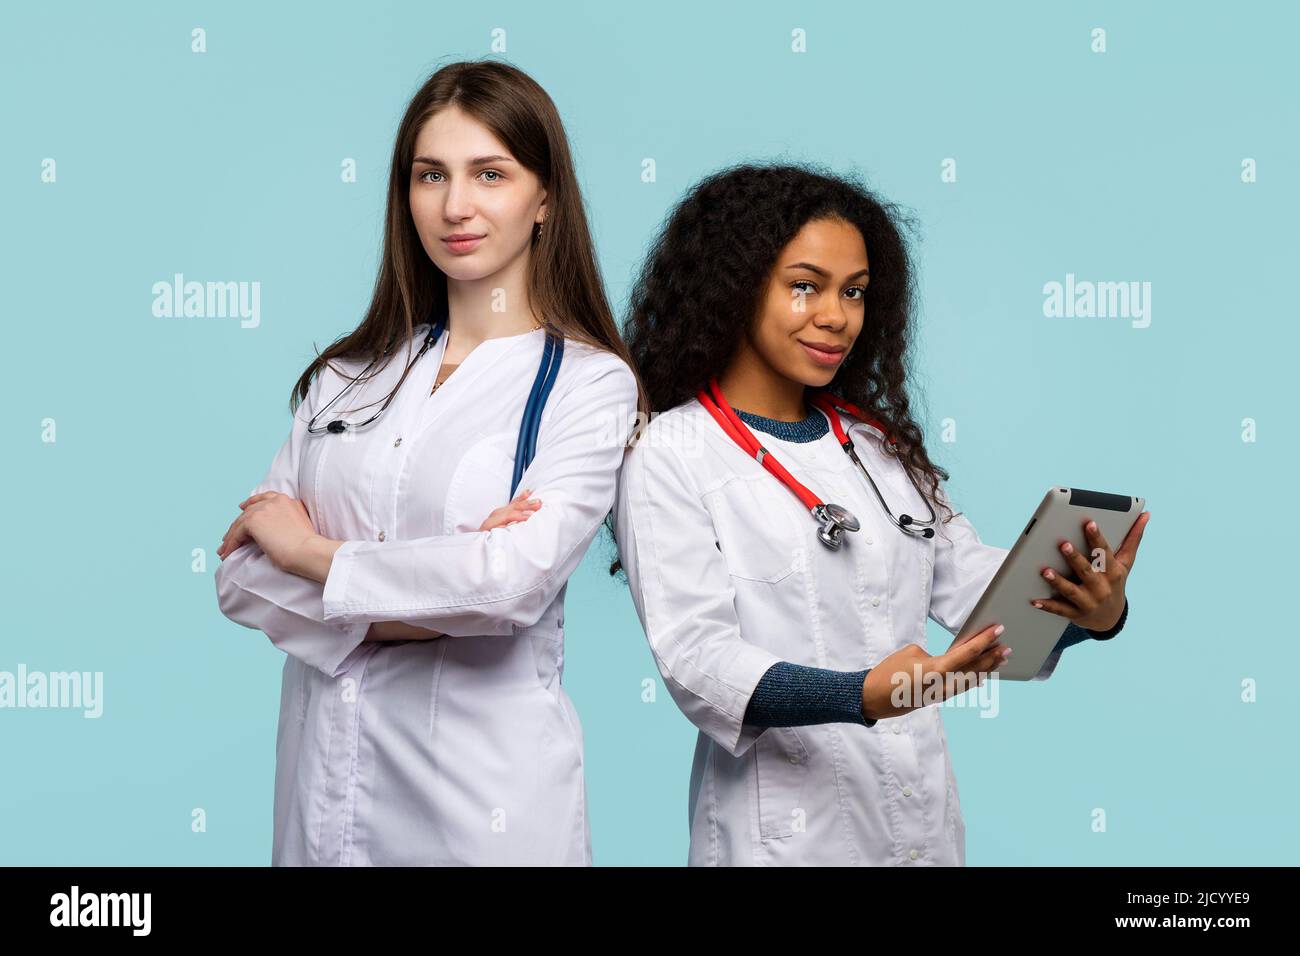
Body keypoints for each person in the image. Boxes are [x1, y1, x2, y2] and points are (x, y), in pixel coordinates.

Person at [611, 163, 1149, 866]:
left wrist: (1094, 615)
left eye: (855, 291)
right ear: (734, 286)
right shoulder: (670, 452)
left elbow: (982, 606)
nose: (837, 316)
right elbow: (700, 663)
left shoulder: (878, 447)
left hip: (920, 829)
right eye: (805, 285)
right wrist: (866, 695)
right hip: (780, 841)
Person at [214, 60, 641, 866]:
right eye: (429, 175)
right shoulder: (348, 377)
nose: (455, 206)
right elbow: (238, 577)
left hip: (483, 815)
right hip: (319, 800)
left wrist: (309, 555)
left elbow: (513, 584)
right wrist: (444, 589)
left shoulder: (588, 384)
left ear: (544, 197)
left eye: (490, 174)